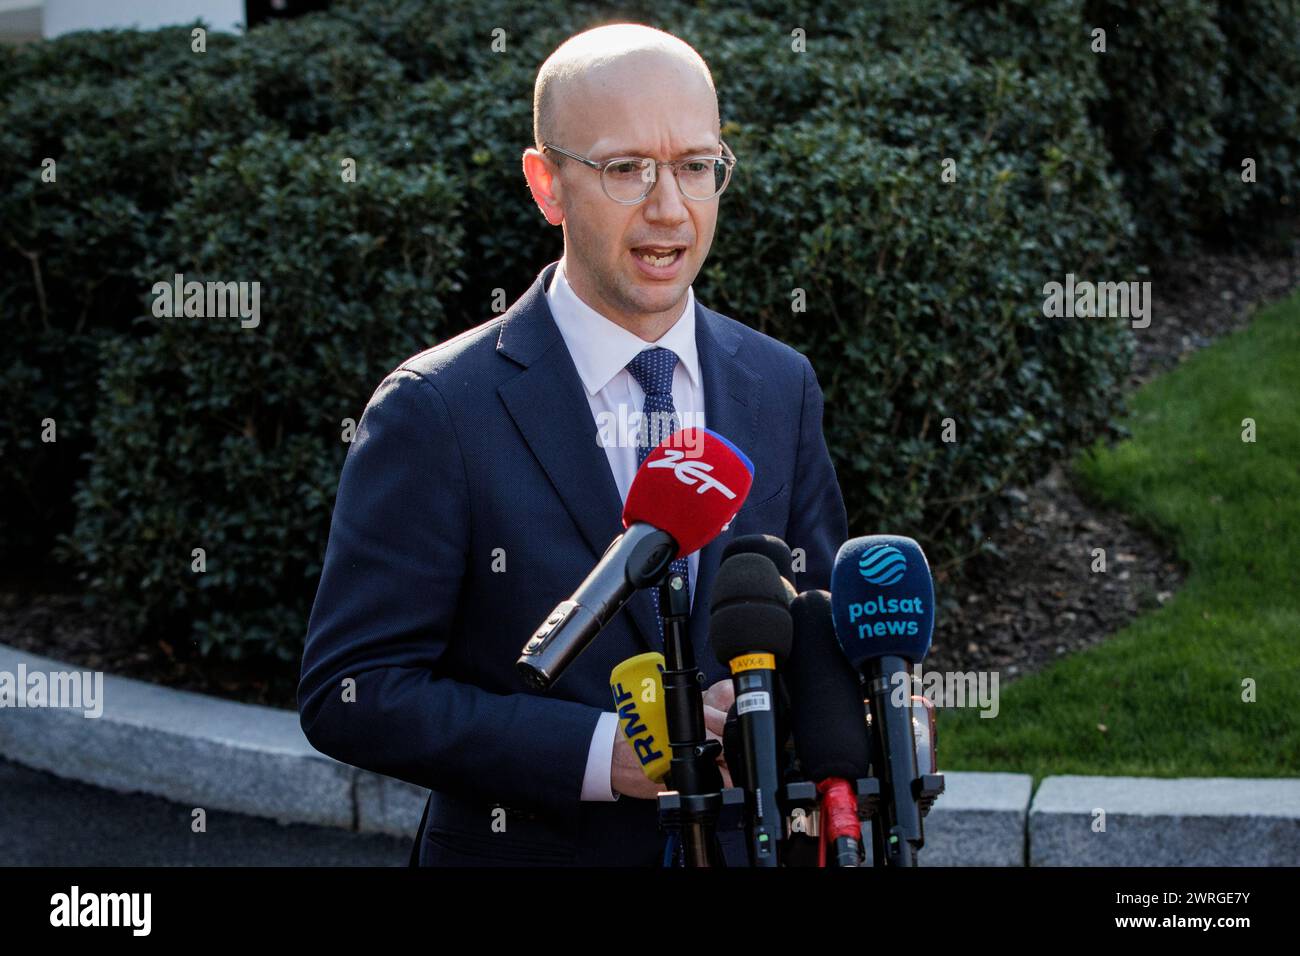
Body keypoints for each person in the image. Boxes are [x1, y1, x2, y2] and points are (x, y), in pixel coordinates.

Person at [297, 23, 848, 866]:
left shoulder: (780, 384)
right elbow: (353, 693)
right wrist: (600, 753)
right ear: (547, 185)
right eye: (625, 169)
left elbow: (812, 622)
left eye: (696, 165)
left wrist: (863, 704)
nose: (670, 206)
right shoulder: (437, 409)